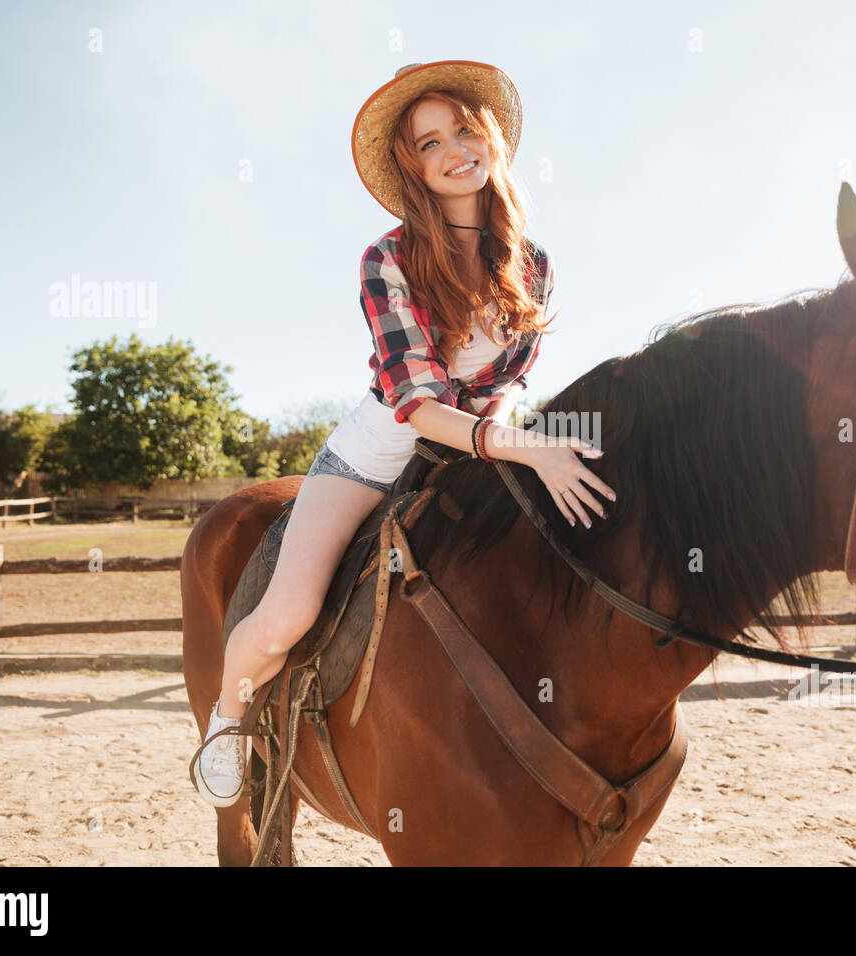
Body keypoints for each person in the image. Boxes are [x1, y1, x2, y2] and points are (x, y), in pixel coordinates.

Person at [193, 60, 617, 806]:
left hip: (479, 445)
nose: (455, 150)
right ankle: (227, 723)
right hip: (374, 457)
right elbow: (417, 407)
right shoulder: (386, 259)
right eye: (429, 143)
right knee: (289, 613)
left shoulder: (536, 264)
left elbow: (510, 379)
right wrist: (523, 446)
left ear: (489, 137)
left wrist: (517, 423)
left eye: (463, 129)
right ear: (413, 168)